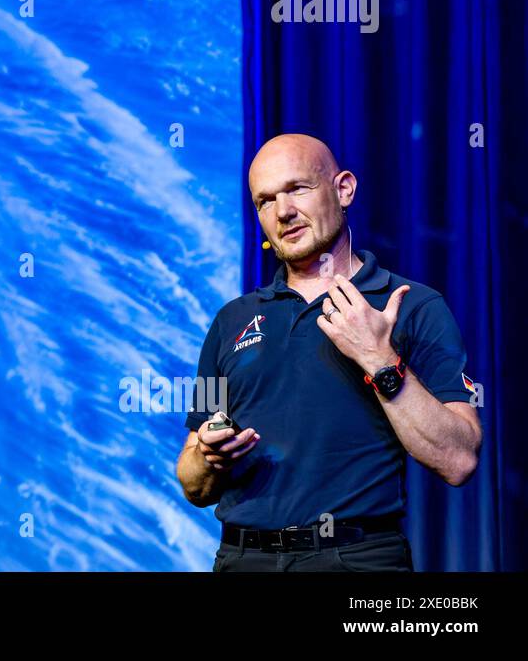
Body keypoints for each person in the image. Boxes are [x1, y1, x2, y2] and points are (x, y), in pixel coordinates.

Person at [175, 133, 481, 571]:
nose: (283, 212)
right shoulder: (230, 321)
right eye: (265, 201)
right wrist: (206, 455)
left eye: (298, 189)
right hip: (243, 560)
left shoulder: (411, 305)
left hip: (355, 560)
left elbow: (459, 459)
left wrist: (379, 359)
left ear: (344, 190)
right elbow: (192, 485)